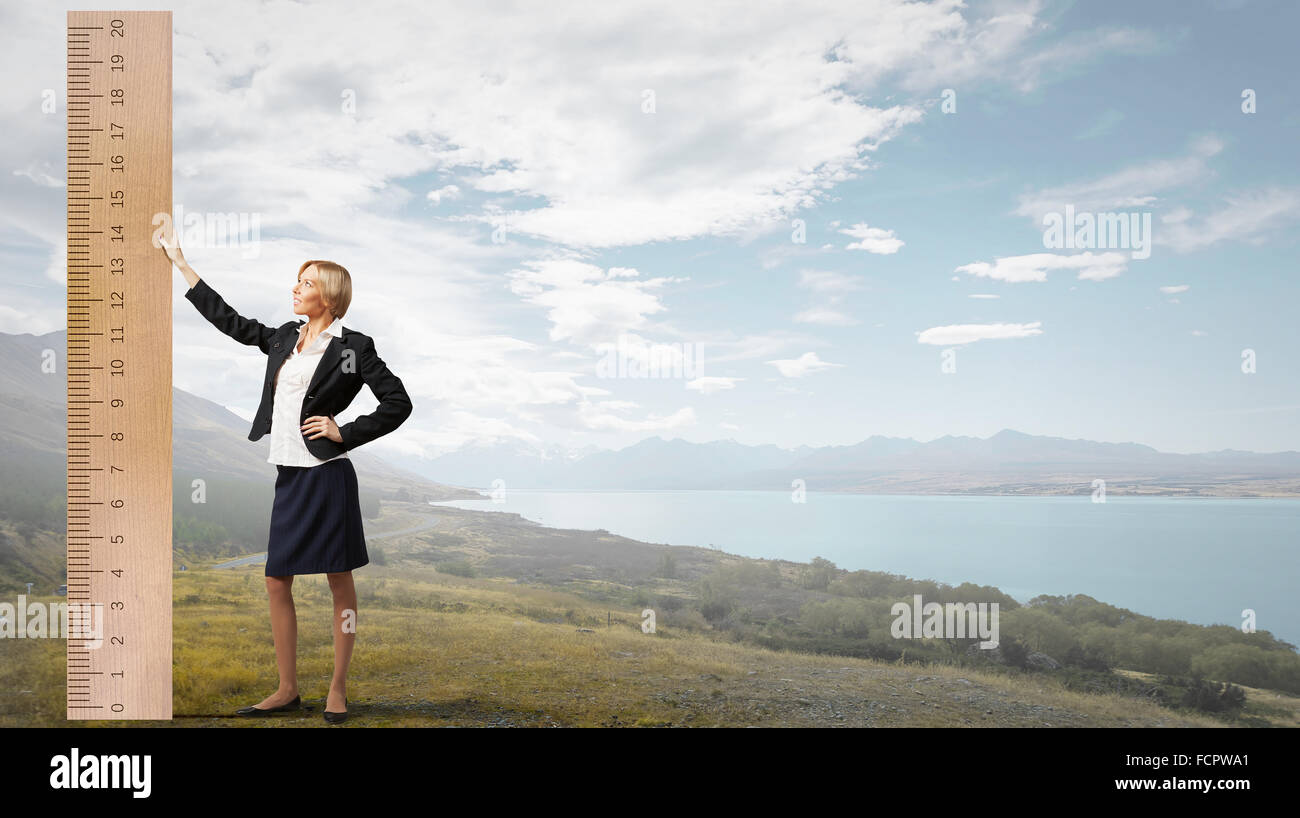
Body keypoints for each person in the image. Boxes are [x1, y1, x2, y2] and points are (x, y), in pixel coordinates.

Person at [162, 235, 412, 724]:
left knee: (339, 580)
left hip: (327, 475)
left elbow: (398, 402)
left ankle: (337, 689)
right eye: (297, 282)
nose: (296, 289)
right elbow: (232, 323)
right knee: (277, 580)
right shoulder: (282, 338)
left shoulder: (352, 349)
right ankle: (286, 689)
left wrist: (346, 430)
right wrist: (182, 266)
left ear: (330, 296)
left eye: (307, 283)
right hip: (290, 477)